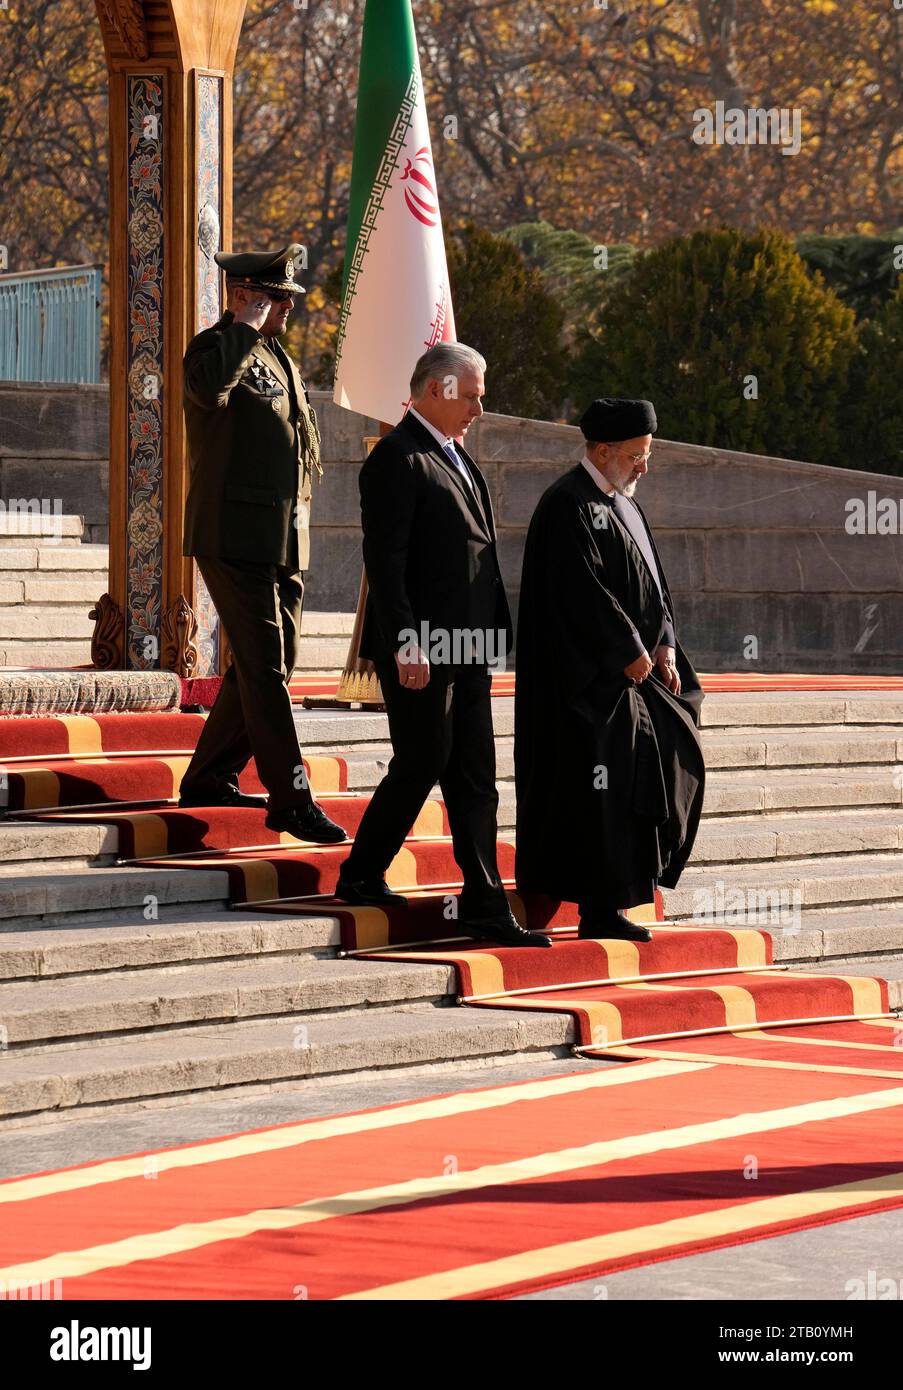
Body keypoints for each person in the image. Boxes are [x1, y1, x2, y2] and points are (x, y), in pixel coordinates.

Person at [335, 342, 551, 948]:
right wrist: (406, 643)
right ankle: (360, 873)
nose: (481, 407)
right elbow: (386, 561)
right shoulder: (397, 459)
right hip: (424, 646)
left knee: (476, 776)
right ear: (438, 389)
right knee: (423, 761)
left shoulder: (456, 456)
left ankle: (485, 902)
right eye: (474, 394)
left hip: (471, 643)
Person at [514, 397, 705, 941]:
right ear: (603, 450)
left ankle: (620, 897)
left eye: (648, 452)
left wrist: (664, 643)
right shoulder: (566, 504)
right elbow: (579, 591)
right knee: (601, 790)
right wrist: (626, 649)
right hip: (586, 686)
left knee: (663, 763)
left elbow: (655, 584)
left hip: (637, 677)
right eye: (637, 454)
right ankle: (599, 907)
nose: (645, 464)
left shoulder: (625, 502)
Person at [178, 243, 345, 843]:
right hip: (232, 534)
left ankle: (208, 776)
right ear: (245, 297)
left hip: (282, 537)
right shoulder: (216, 348)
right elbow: (204, 393)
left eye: (289, 298)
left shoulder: (279, 357)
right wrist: (243, 326)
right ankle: (291, 798)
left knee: (270, 664)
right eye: (276, 298)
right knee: (266, 666)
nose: (288, 308)